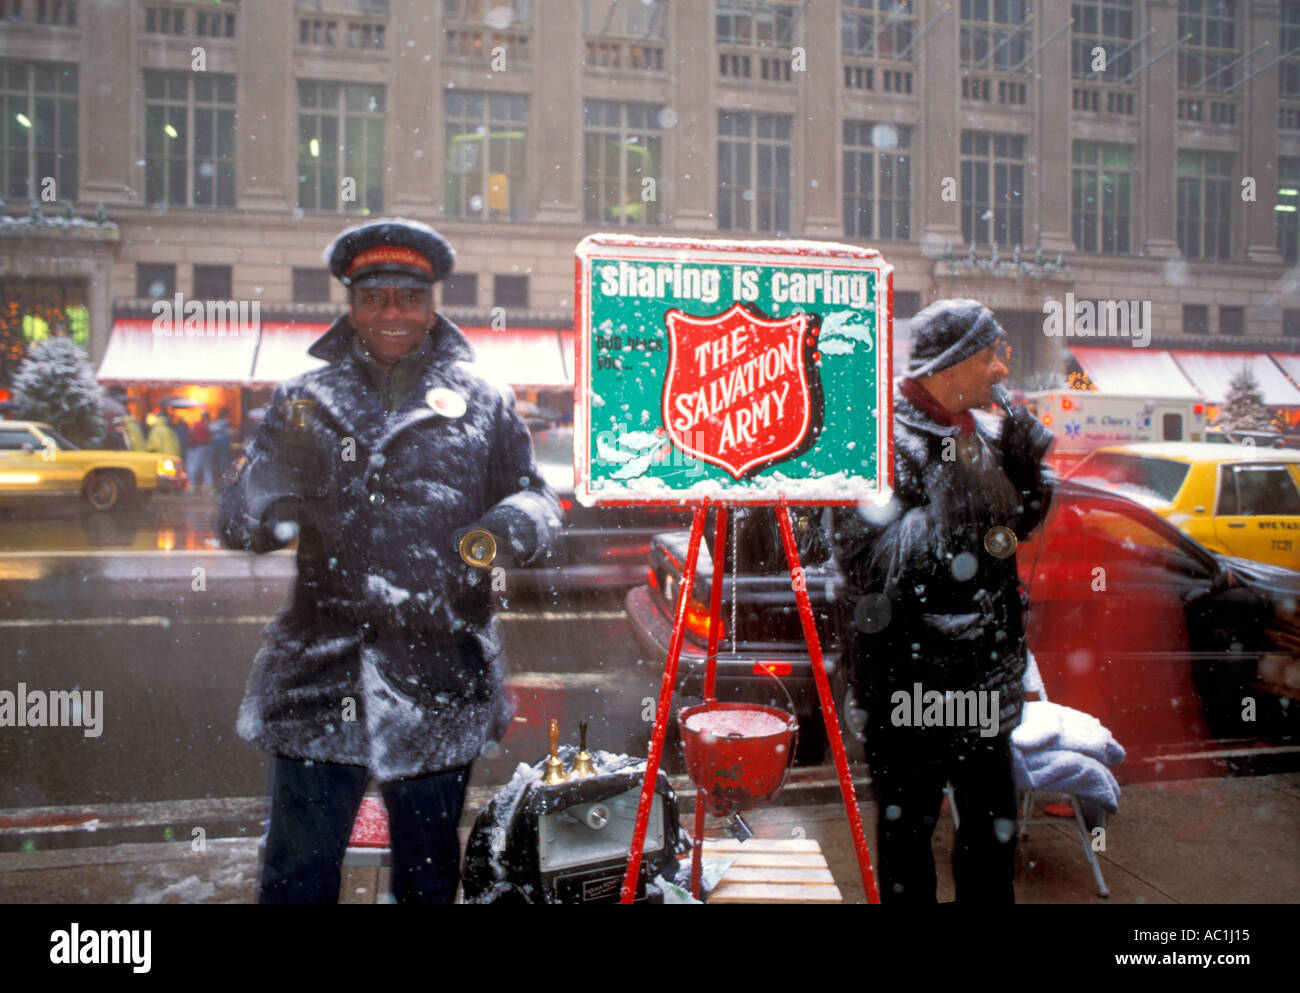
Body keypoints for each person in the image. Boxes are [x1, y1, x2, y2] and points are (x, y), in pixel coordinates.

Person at [218, 217, 562, 904]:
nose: (392, 313)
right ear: (351, 304)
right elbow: (242, 508)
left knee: (429, 880)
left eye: (408, 296)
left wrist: (502, 530)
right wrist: (259, 509)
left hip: (440, 680)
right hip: (320, 680)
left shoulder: (483, 400)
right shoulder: (303, 398)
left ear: (432, 303)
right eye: (374, 297)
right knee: (294, 878)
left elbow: (538, 498)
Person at [832, 299, 1055, 904]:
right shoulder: (878, 442)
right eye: (989, 357)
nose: (1001, 371)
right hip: (911, 693)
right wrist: (955, 505)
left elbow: (1006, 537)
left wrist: (1026, 475)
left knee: (991, 842)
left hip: (984, 688)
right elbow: (869, 568)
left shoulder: (974, 432)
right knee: (908, 849)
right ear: (949, 366)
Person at [186, 410, 213, 494]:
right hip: (208, 447)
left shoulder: (198, 425)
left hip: (199, 447)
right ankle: (209, 485)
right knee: (206, 466)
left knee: (195, 465)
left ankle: (191, 484)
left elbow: (193, 436)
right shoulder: (210, 425)